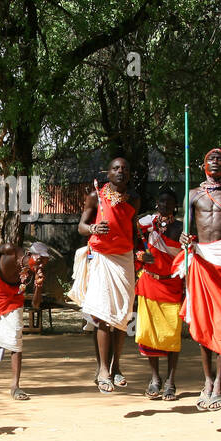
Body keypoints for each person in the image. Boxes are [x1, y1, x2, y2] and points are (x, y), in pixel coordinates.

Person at [176, 148, 221, 410]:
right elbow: (187, 228)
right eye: (210, 159)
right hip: (202, 259)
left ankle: (220, 384)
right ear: (203, 165)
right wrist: (183, 239)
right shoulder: (192, 194)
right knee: (203, 319)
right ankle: (207, 381)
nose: (215, 162)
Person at [68, 157, 143, 393]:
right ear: (107, 173)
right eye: (116, 168)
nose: (121, 171)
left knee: (121, 317)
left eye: (125, 168)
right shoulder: (95, 196)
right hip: (101, 257)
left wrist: (141, 254)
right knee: (102, 315)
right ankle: (103, 370)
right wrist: (93, 228)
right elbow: (81, 226)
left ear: (129, 174)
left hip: (124, 260)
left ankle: (116, 367)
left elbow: (132, 230)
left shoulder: (134, 199)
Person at [0, 240, 52, 400]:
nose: (40, 265)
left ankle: (15, 386)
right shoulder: (12, 251)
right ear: (29, 254)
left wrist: (39, 286)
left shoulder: (35, 273)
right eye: (39, 260)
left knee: (15, 339)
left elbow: (35, 304)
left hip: (13, 297)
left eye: (44, 263)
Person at [134, 189, 185, 401]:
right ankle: (155, 379)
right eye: (161, 200)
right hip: (148, 283)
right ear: (157, 203)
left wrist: (187, 242)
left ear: (175, 205)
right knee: (149, 335)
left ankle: (171, 381)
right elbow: (131, 232)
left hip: (172, 285)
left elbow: (188, 256)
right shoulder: (147, 222)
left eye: (169, 201)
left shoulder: (182, 228)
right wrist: (139, 254)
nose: (164, 204)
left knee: (171, 336)